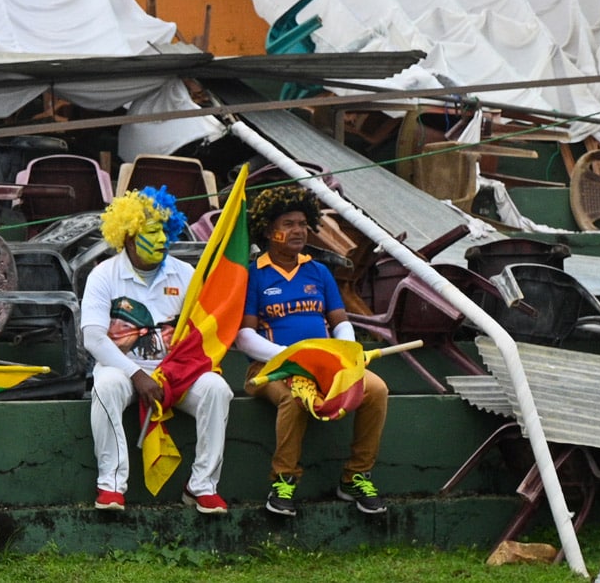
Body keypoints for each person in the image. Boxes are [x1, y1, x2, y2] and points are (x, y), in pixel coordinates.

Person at [235, 185, 390, 516]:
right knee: (295, 397)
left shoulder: (319, 272)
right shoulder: (254, 275)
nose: (298, 231)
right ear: (269, 231)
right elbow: (244, 336)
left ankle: (355, 477)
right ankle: (284, 481)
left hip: (323, 365)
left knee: (376, 389)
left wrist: (345, 352)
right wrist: (289, 356)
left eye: (303, 224)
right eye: (288, 224)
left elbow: (340, 322)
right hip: (271, 369)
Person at [81, 186, 233, 514]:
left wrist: (177, 372)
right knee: (105, 386)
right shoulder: (103, 275)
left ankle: (202, 486)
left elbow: (199, 332)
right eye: (152, 232)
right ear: (129, 236)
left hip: (175, 372)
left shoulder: (185, 273)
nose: (163, 239)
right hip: (122, 369)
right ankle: (111, 485)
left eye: (165, 230)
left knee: (217, 389)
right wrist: (137, 375)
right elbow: (93, 339)